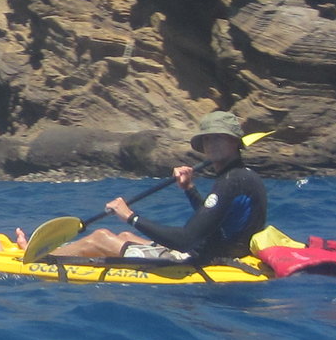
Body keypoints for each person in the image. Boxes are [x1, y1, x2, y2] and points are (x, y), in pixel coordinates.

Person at [18, 113, 270, 264]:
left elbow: (185, 240)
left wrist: (130, 216)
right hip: (219, 251)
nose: (211, 144)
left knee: (101, 238)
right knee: (125, 239)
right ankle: (46, 250)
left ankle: (36, 259)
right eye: (206, 138)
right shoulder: (244, 177)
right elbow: (217, 224)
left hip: (204, 259)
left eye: (219, 137)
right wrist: (190, 189)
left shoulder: (229, 182)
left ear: (235, 142)